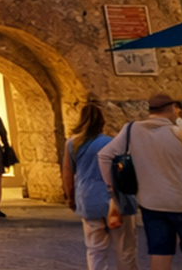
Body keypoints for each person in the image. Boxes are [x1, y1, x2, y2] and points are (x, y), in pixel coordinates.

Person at [98, 93, 182, 270]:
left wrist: (113, 186)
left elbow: (104, 155)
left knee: (160, 252)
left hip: (151, 204)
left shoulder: (131, 130)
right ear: (173, 108)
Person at [63, 102, 137, 270]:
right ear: (102, 122)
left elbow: (67, 174)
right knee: (125, 249)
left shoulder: (72, 144)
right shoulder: (112, 142)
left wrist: (71, 198)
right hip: (117, 201)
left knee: (95, 249)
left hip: (89, 199)